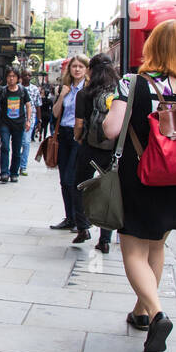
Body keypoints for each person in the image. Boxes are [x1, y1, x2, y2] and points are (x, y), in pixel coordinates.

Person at [104, 19, 176, 352]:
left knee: (134, 250)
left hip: (138, 178)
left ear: (152, 48)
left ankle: (156, 313)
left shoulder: (132, 83)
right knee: (156, 246)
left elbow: (112, 130)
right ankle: (141, 312)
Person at [72, 53, 119, 252]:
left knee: (79, 185)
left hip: (90, 148)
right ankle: (105, 239)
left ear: (91, 70)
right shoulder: (120, 93)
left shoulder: (85, 93)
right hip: (114, 150)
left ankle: (83, 227)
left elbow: (79, 124)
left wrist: (79, 138)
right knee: (108, 192)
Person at [49, 55, 89, 230]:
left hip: (79, 135)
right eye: (74, 66)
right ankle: (69, 218)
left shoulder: (88, 89)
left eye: (81, 66)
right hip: (63, 134)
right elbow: (56, 114)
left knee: (72, 179)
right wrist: (62, 96)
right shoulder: (64, 89)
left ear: (86, 69)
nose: (77, 69)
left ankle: (80, 220)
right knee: (64, 180)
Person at [0, 67, 28, 182]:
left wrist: (29, 120)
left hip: (19, 124)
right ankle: (4, 173)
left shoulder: (22, 90)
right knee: (5, 147)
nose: (11, 78)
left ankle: (14, 172)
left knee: (17, 150)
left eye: (13, 76)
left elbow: (28, 105)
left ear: (17, 78)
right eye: (9, 76)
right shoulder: (2, 91)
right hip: (5, 123)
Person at [21, 73, 41, 174]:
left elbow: (38, 105)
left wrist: (39, 120)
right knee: (19, 142)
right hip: (17, 119)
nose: (27, 77)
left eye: (29, 75)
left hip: (31, 118)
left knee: (26, 142)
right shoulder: (18, 88)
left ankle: (23, 166)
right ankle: (16, 163)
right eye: (25, 75)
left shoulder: (35, 89)